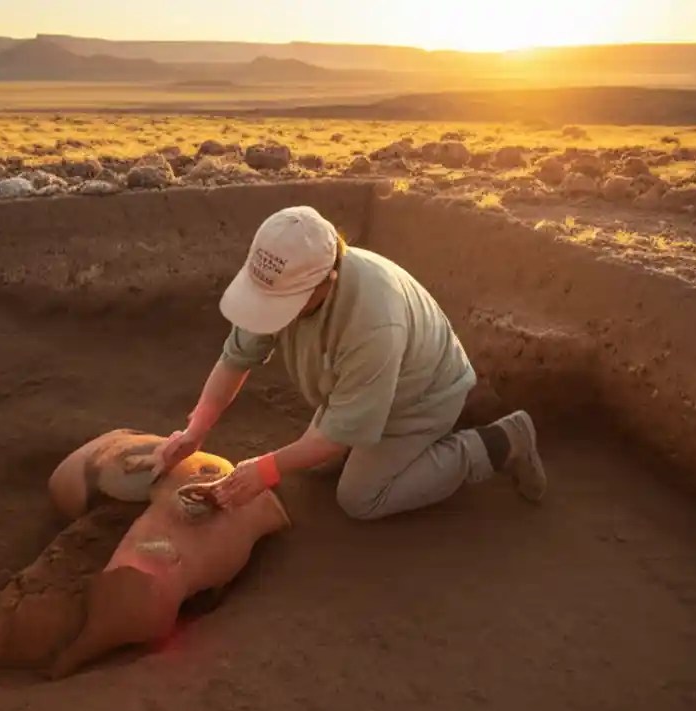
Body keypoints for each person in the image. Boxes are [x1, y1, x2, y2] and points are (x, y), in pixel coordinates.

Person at [152, 205, 547, 521]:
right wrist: (195, 430)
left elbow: (335, 437)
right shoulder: (284, 279)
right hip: (356, 387)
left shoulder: (372, 321)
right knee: (315, 465)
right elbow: (235, 359)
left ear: (328, 281)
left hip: (418, 398)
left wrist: (264, 469)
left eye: (283, 304)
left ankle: (499, 441)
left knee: (360, 497)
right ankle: (387, 444)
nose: (270, 313)